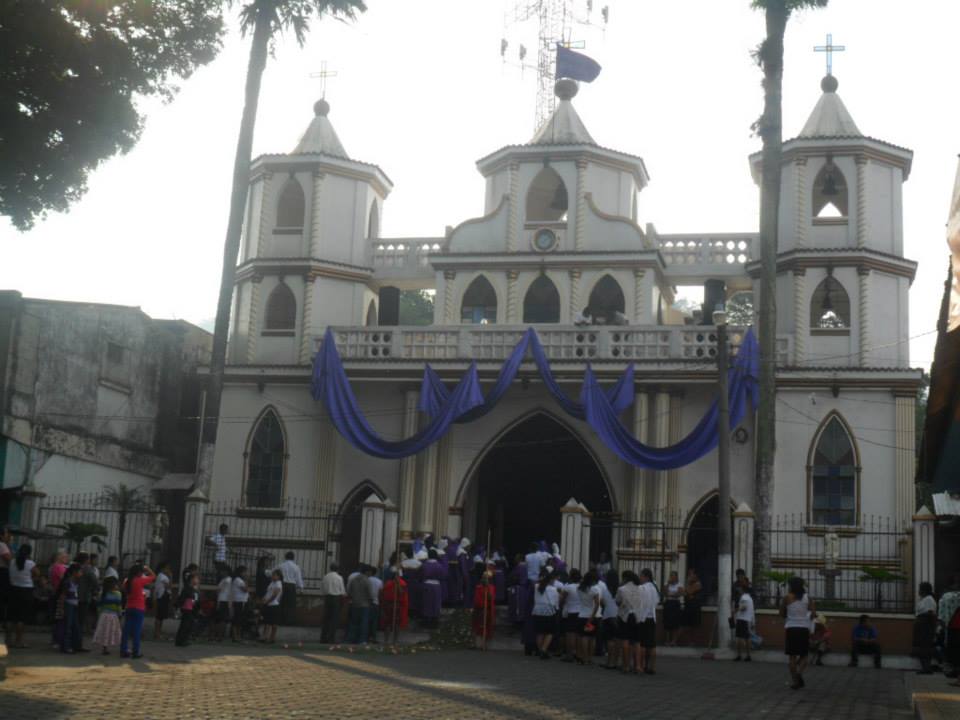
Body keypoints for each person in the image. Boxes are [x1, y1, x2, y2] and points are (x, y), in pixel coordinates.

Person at [782, 576, 814, 690]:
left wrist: (790, 614)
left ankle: (795, 680)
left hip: (791, 628)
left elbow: (781, 613)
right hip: (804, 629)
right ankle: (799, 673)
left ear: (792, 586)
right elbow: (813, 613)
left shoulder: (787, 598)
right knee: (804, 655)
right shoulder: (807, 598)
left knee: (792, 657)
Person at [120, 562, 155, 659]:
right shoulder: (139, 580)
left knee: (126, 630)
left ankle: (123, 650)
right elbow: (153, 576)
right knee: (137, 631)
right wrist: (148, 569)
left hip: (129, 607)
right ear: (139, 572)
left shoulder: (127, 581)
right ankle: (136, 652)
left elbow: (124, 590)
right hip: (139, 607)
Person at [8, 544, 39, 648]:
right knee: (22, 618)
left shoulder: (12, 561)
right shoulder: (30, 563)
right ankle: (19, 641)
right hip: (26, 591)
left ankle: (8, 640)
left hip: (13, 590)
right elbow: (36, 574)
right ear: (29, 553)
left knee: (11, 617)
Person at [615, 570, 642, 674]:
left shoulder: (621, 589)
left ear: (625, 578)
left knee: (625, 640)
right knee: (637, 642)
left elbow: (617, 601)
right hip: (637, 616)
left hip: (625, 616)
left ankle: (626, 666)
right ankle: (638, 666)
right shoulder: (640, 588)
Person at [55, 563, 86, 654]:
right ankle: (66, 646)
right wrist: (62, 608)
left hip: (74, 605)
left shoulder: (75, 581)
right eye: (80, 571)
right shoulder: (67, 582)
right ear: (74, 572)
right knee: (67, 626)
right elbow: (63, 595)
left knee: (76, 626)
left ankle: (75, 645)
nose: (81, 573)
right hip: (68, 605)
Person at [532, 570, 560, 660]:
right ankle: (544, 650)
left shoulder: (537, 586)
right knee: (549, 632)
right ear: (551, 580)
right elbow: (555, 602)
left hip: (537, 611)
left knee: (539, 632)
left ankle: (540, 650)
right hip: (548, 611)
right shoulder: (553, 589)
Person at [576, 569, 602, 666]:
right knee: (592, 638)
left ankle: (584, 657)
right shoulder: (594, 589)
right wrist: (592, 616)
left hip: (582, 614)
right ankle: (590, 658)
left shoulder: (579, 588)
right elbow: (597, 604)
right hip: (592, 616)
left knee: (583, 637)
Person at [937, 575, 960, 684]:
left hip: (954, 627)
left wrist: (943, 626)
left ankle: (957, 676)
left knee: (955, 652)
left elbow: (942, 616)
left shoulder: (946, 597)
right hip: (954, 626)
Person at [93, 576, 123, 655]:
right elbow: (119, 606)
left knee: (105, 631)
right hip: (113, 616)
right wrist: (120, 614)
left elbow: (99, 605)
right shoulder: (118, 594)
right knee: (112, 631)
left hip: (103, 615)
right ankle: (115, 646)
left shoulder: (102, 594)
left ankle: (104, 648)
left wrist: (99, 613)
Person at [637, 568, 659, 674]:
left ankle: (640, 666)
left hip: (643, 617)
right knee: (652, 644)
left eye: (641, 576)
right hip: (652, 617)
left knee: (642, 644)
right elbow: (657, 601)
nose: (639, 578)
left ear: (646, 577)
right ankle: (652, 667)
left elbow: (639, 602)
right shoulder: (654, 587)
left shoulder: (641, 588)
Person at [914, 581, 938, 674]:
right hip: (922, 625)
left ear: (924, 590)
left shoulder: (929, 599)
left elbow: (930, 614)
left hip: (926, 626)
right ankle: (925, 667)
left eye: (920, 589)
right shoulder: (924, 599)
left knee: (925, 648)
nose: (918, 591)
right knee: (922, 647)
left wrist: (931, 628)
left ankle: (926, 668)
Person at [597, 569, 619, 669]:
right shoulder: (620, 589)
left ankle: (609, 662)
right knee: (616, 640)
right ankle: (615, 661)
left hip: (607, 616)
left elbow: (602, 603)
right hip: (617, 616)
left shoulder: (605, 590)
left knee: (609, 641)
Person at [346, 564, 374, 644]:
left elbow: (349, 592)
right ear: (367, 572)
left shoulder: (353, 579)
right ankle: (362, 640)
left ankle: (351, 639)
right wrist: (370, 602)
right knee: (364, 623)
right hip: (365, 605)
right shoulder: (367, 580)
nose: (371, 574)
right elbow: (370, 594)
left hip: (355, 604)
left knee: (353, 623)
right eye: (370, 572)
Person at [560, 569, 583, 662]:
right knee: (579, 634)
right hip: (581, 612)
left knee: (570, 634)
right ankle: (578, 653)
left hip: (571, 612)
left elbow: (561, 599)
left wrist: (561, 605)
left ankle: (570, 655)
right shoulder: (583, 587)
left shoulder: (568, 587)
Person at [471, 564, 496, 649]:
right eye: (483, 578)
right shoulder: (478, 587)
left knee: (485, 627)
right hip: (479, 609)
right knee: (477, 627)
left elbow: (490, 597)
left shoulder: (491, 587)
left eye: (486, 578)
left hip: (486, 609)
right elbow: (476, 599)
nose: (484, 579)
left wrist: (487, 588)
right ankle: (476, 644)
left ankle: (483, 644)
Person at [320, 563, 346, 643]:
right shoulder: (339, 578)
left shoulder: (325, 577)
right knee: (334, 619)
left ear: (330, 568)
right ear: (337, 569)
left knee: (326, 619)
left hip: (327, 598)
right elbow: (342, 591)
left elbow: (323, 589)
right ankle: (331, 638)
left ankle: (323, 638)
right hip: (336, 598)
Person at [175, 572, 200, 647]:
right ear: (191, 580)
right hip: (187, 609)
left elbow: (196, 599)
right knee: (185, 625)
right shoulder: (187, 588)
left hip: (193, 609)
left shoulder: (195, 589)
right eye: (196, 579)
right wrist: (178, 607)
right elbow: (182, 598)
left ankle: (185, 639)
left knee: (190, 625)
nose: (197, 580)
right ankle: (180, 641)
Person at [279, 551, 304, 625]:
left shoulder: (281, 565)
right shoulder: (296, 566)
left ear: (285, 557)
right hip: (291, 586)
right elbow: (298, 578)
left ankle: (281, 620)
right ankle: (289, 621)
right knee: (291, 604)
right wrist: (301, 588)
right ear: (293, 558)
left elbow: (273, 572)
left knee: (282, 603)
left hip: (282, 585)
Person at [679, 567, 702, 645]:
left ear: (695, 575)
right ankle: (689, 641)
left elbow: (688, 592)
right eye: (688, 574)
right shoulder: (689, 584)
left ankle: (694, 641)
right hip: (688, 605)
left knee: (694, 625)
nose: (689, 576)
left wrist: (687, 585)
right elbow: (683, 593)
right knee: (685, 625)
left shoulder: (698, 584)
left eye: (691, 574)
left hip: (694, 606)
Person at [733, 586, 755, 662]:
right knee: (747, 638)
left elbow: (744, 607)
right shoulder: (750, 598)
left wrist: (735, 610)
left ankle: (739, 655)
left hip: (742, 619)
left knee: (739, 637)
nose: (738, 590)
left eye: (739, 589)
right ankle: (748, 655)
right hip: (747, 619)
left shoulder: (744, 598)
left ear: (742, 590)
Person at [260, 569, 283, 644]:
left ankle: (271, 638)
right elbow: (268, 592)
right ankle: (265, 637)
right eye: (272, 575)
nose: (273, 576)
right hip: (268, 604)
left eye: (274, 575)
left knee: (273, 623)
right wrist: (264, 598)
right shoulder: (272, 583)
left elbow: (275, 595)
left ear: (279, 576)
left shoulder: (278, 583)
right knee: (267, 622)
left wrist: (268, 601)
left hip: (274, 605)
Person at [212, 566, 233, 642]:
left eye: (222, 571)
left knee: (221, 619)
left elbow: (220, 591)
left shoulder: (227, 580)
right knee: (220, 619)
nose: (220, 572)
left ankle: (219, 636)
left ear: (226, 572)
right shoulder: (225, 580)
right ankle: (218, 636)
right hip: (222, 601)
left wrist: (229, 603)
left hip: (224, 601)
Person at [662, 570, 683, 646]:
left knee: (675, 623)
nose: (672, 577)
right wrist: (668, 585)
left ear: (676, 577)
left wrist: (671, 594)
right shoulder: (666, 584)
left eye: (673, 576)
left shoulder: (679, 585)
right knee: (667, 623)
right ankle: (667, 641)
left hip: (675, 604)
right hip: (668, 603)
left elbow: (679, 594)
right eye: (671, 576)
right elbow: (665, 593)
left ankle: (674, 641)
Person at [152, 562, 172, 640]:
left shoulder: (161, 576)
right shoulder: (162, 576)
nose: (168, 570)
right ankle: (157, 633)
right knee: (159, 617)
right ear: (162, 568)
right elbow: (169, 586)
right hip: (162, 597)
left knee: (161, 617)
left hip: (162, 597)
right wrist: (171, 577)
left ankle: (158, 633)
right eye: (167, 568)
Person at [231, 565, 249, 642]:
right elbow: (245, 589)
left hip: (241, 601)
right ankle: (236, 636)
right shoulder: (238, 580)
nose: (246, 573)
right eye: (245, 572)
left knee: (240, 619)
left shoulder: (238, 580)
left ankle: (238, 636)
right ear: (241, 572)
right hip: (239, 601)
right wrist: (246, 580)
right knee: (237, 619)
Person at [0, 526, 13, 631]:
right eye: (6, 533)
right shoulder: (2, 545)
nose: (8, 535)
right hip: (2, 572)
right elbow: (9, 559)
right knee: (4, 598)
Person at [367, 569, 383, 643]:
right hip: (376, 602)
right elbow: (380, 593)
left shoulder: (367, 579)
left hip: (367, 603)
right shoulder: (379, 581)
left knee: (367, 620)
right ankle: (373, 637)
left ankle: (366, 636)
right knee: (374, 621)